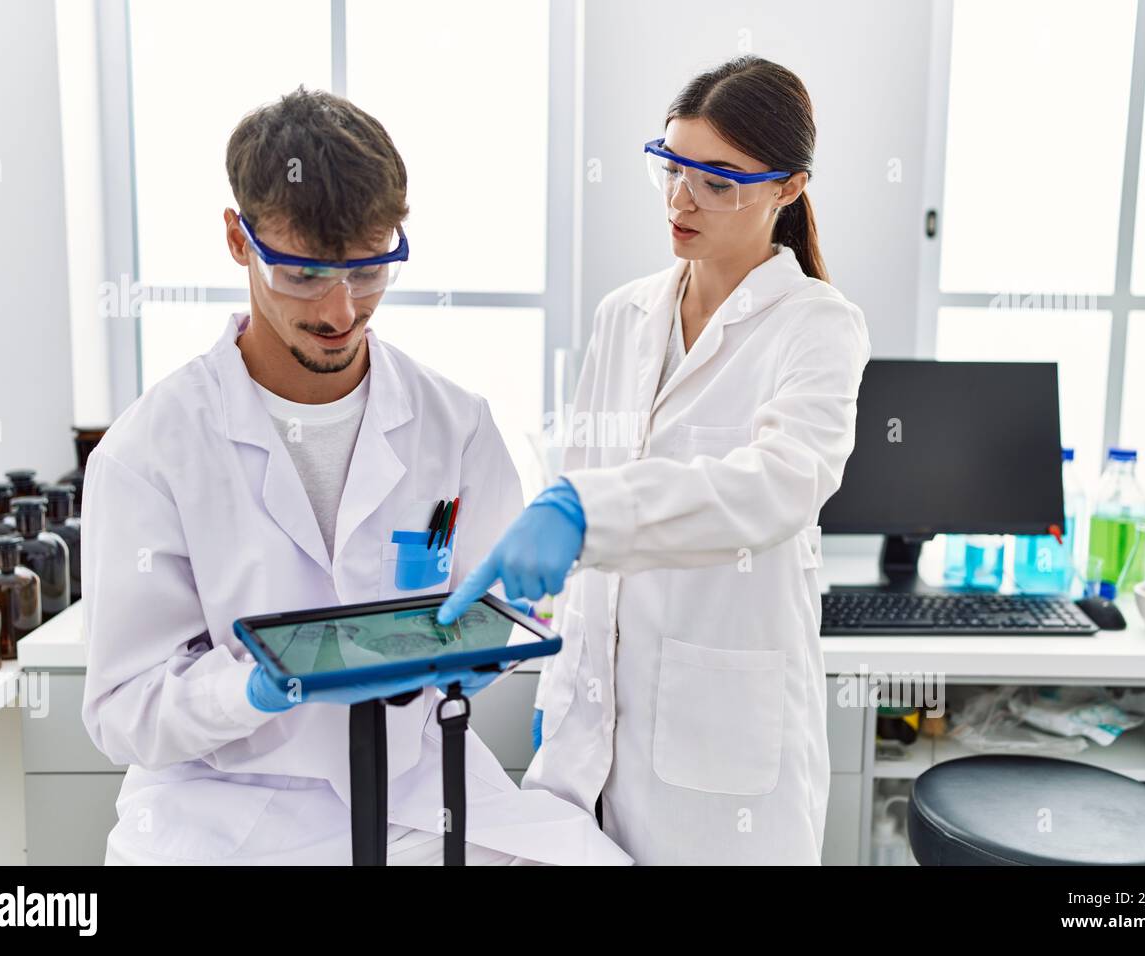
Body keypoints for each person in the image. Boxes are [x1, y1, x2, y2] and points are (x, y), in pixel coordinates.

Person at [80, 87, 628, 866]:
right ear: (239, 239)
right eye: (304, 275)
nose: (341, 310)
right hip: (228, 810)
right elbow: (124, 708)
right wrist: (253, 689)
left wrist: (500, 632)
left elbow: (503, 610)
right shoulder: (151, 450)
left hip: (418, 791)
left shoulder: (455, 422)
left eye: (370, 270)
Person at [439, 57, 871, 864]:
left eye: (718, 180)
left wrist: (587, 513)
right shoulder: (624, 315)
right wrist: (556, 650)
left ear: (788, 187)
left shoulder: (817, 326)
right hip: (585, 735)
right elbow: (585, 483)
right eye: (672, 167)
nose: (681, 199)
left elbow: (776, 487)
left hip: (720, 760)